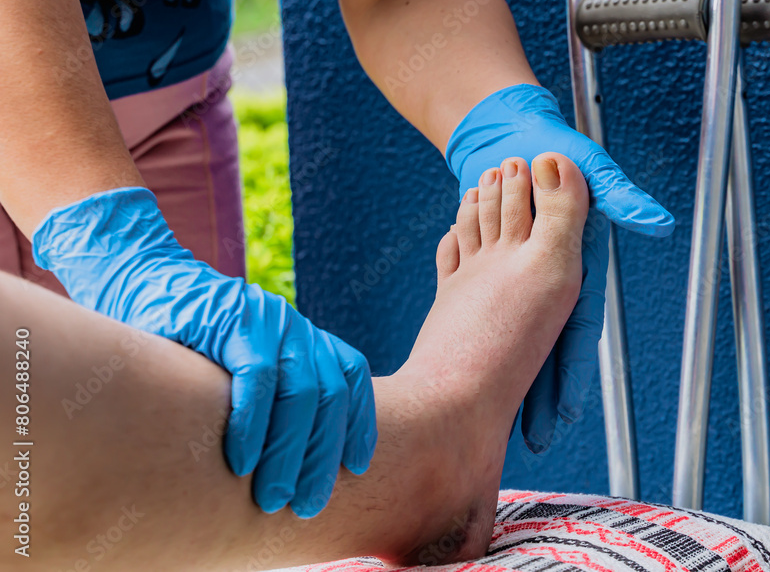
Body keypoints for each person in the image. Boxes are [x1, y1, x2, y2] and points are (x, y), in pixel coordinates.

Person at [0, 0, 674, 519]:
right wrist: (117, 249)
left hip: (164, 98)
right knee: (18, 475)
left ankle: (435, 453)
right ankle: (434, 444)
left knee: (195, 466)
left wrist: (493, 116)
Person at [0, 153, 592, 569]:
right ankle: (429, 457)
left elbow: (401, 2)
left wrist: (488, 102)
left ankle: (434, 445)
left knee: (210, 367)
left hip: (167, 78)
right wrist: (113, 247)